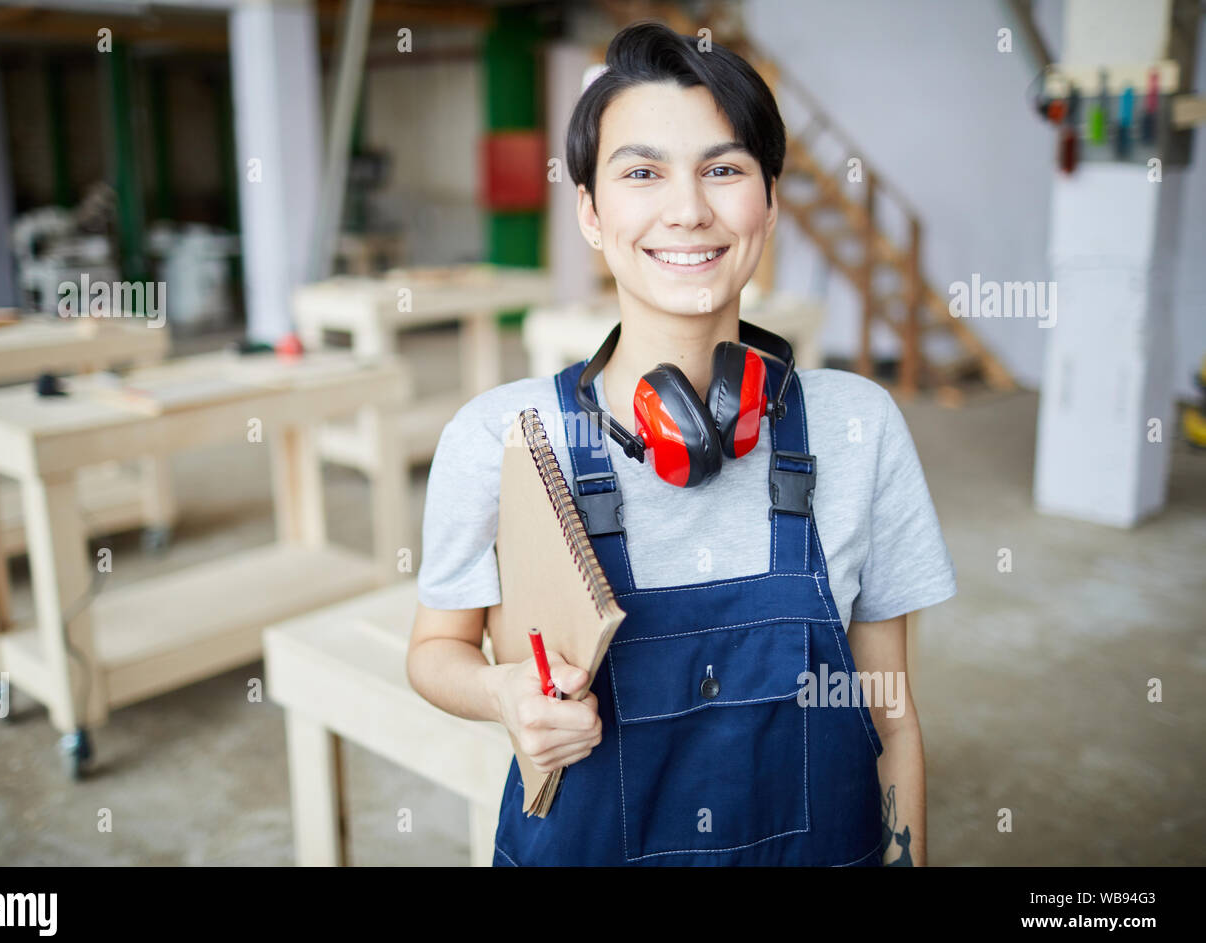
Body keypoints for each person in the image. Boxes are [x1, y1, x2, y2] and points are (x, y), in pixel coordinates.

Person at [406, 21, 956, 866]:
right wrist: (499, 692)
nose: (689, 210)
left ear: (768, 203)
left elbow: (888, 710)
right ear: (590, 213)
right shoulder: (504, 437)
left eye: (724, 169)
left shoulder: (861, 425)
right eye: (642, 173)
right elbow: (436, 650)